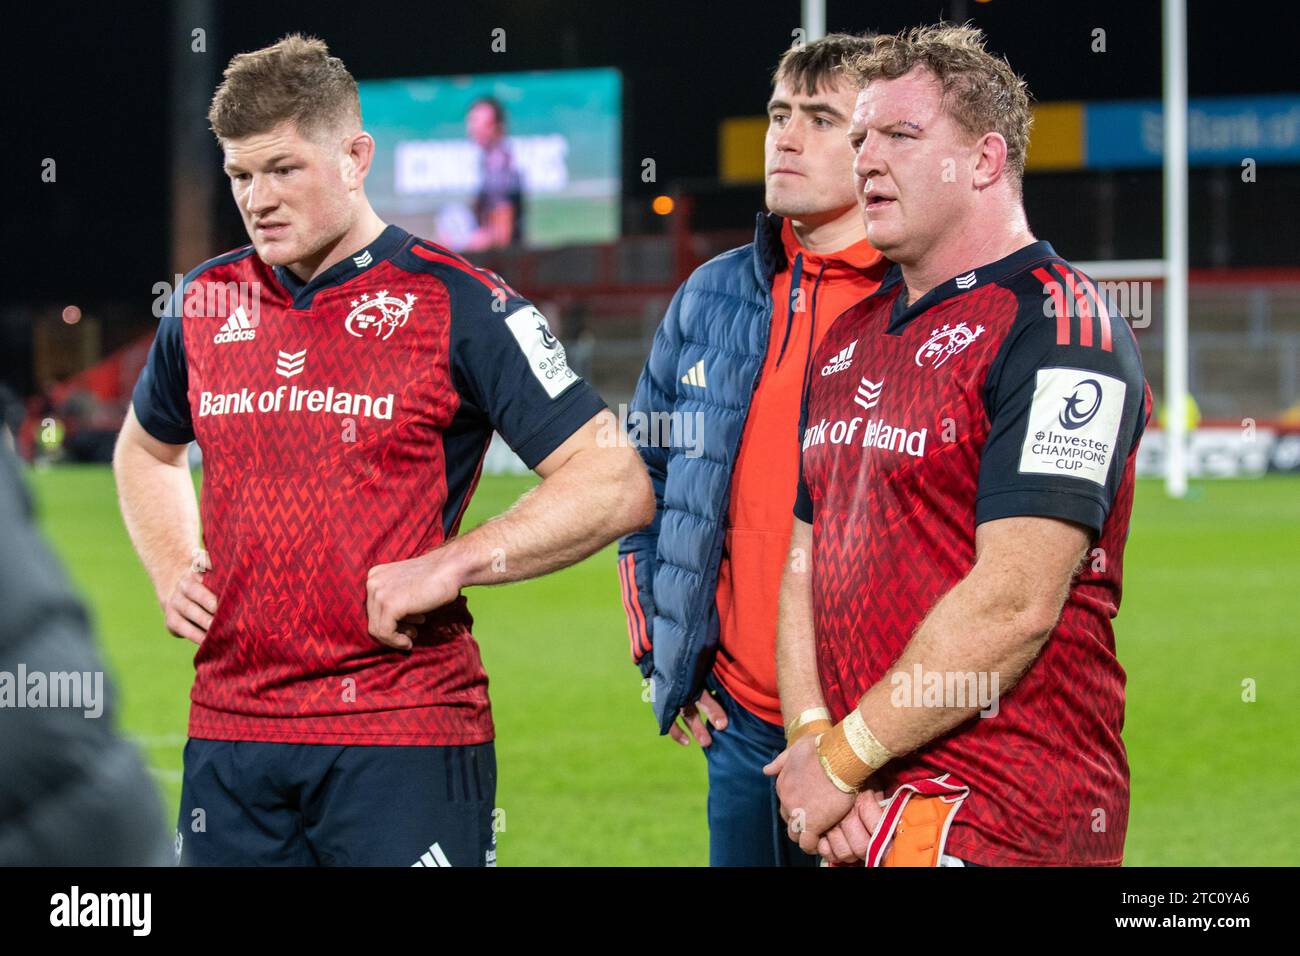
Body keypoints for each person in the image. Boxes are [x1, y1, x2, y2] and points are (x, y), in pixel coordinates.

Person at [113, 34, 651, 867]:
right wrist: (169, 561)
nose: (258, 198)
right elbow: (145, 452)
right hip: (231, 732)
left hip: (401, 731)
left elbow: (613, 478)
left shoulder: (460, 303)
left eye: (284, 169)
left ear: (357, 155)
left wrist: (457, 562)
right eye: (240, 176)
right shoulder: (205, 301)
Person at [765, 23, 1151, 867]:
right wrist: (813, 739)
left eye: (900, 135)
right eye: (861, 136)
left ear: (982, 161)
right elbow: (802, 563)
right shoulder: (849, 338)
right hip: (858, 808)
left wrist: (839, 760)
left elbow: (1014, 601)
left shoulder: (1061, 325)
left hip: (1008, 812)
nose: (866, 158)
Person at [617, 33, 888, 866]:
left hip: (873, 729)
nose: (787, 137)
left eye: (819, 117)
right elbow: (643, 480)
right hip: (736, 722)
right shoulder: (712, 293)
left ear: (875, 144)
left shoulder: (923, 295)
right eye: (779, 115)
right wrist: (661, 654)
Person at [464, 97, 524, 251]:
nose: (472, 128)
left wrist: (463, 244)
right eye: (471, 121)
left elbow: (502, 236)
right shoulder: (489, 162)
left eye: (478, 122)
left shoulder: (499, 168)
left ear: (497, 127)